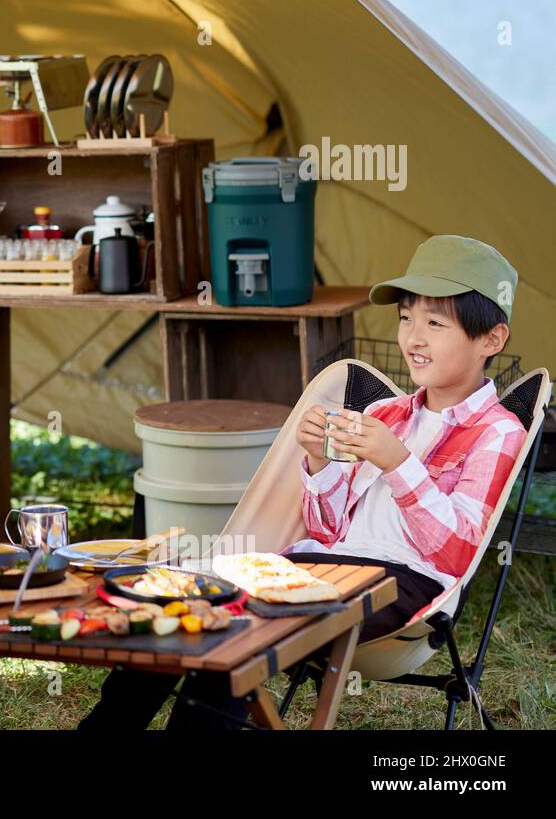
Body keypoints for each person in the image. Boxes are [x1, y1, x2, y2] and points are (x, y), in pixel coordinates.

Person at [80, 235, 527, 729]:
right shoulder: (385, 413)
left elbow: (456, 552)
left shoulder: (496, 432)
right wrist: (319, 463)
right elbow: (329, 531)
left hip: (403, 586)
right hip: (319, 563)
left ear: (492, 339)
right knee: (188, 595)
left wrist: (398, 463)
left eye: (435, 323)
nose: (413, 338)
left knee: (238, 630)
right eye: (406, 318)